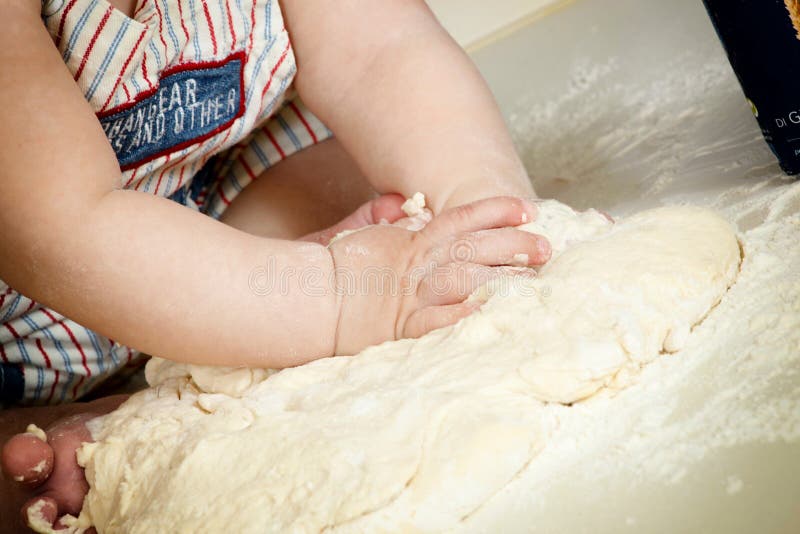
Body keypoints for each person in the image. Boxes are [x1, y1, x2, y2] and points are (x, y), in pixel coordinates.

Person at [0, 0, 551, 529]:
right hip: (30, 318)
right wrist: (343, 298)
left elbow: (381, 52)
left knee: (368, 183)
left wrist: (486, 211)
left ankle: (218, 372)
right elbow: (57, 229)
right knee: (24, 465)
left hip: (206, 192)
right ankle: (91, 440)